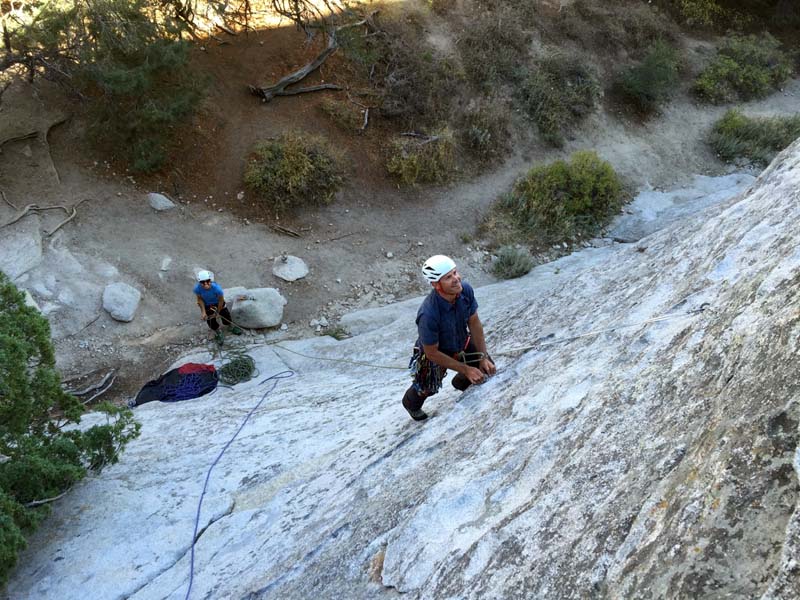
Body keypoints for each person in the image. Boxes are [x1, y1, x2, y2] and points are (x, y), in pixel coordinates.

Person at [402, 255, 496, 421]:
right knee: (427, 387)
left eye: (455, 273)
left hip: (461, 341)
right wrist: (466, 369)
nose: (456, 279)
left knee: (487, 368)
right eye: (448, 277)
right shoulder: (428, 314)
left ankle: (460, 382)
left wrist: (482, 357)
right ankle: (410, 403)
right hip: (437, 352)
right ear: (436, 285)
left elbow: (474, 323)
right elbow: (432, 353)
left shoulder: (465, 290)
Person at [193, 270, 242, 342]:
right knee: (210, 320)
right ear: (199, 282)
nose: (206, 284)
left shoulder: (217, 289)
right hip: (207, 305)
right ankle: (217, 331)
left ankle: (229, 326)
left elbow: (221, 300)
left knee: (225, 315)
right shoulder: (197, 289)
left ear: (210, 280)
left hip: (218, 303)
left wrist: (217, 312)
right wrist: (203, 312)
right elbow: (200, 300)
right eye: (203, 282)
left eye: (207, 281)